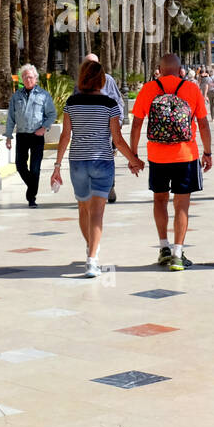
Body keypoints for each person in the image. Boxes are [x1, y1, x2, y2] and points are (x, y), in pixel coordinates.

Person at [50, 60, 143, 277]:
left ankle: (91, 248)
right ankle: (92, 259)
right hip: (102, 161)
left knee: (83, 209)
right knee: (98, 212)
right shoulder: (109, 104)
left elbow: (65, 136)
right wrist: (134, 160)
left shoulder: (71, 103)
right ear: (102, 79)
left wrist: (57, 166)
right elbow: (117, 140)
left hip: (78, 162)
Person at [130, 52, 213, 271]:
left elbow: (137, 124)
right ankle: (177, 254)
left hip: (157, 155)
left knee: (159, 200)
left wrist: (133, 155)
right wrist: (208, 153)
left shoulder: (148, 89)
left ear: (159, 69)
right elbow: (203, 125)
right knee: (181, 204)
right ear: (179, 70)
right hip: (186, 155)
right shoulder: (192, 89)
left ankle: (163, 247)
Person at [5, 64, 56, 208]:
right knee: (20, 166)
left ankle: (31, 197)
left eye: (30, 77)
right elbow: (10, 118)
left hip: (36, 136)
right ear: (22, 79)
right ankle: (33, 187)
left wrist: (44, 128)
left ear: (36, 78)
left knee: (35, 168)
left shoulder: (44, 95)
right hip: (22, 135)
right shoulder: (16, 96)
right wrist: (8, 136)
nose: (28, 79)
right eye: (25, 77)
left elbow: (51, 115)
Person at [84, 53, 125, 203]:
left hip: (105, 129)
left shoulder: (108, 80)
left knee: (106, 160)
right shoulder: (80, 83)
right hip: (87, 131)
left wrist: (117, 123)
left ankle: (110, 186)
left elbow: (118, 102)